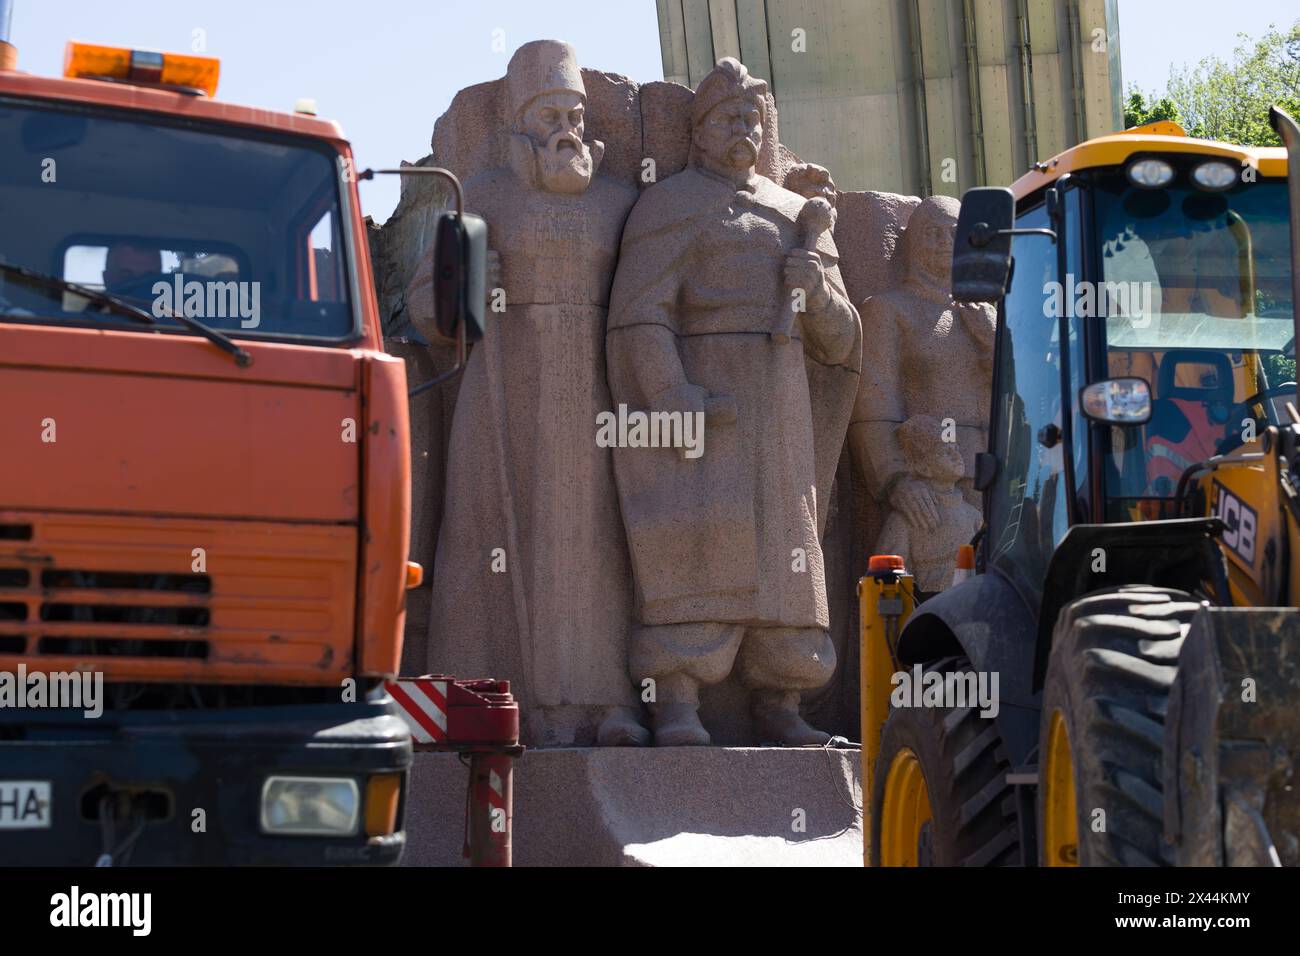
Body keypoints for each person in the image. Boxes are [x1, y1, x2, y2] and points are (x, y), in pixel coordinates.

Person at [605, 58, 861, 746]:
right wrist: (670, 394)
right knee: (696, 540)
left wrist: (819, 293)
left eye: (753, 118)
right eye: (728, 118)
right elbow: (638, 315)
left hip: (781, 399)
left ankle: (783, 704)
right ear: (699, 132)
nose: (743, 129)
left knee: (787, 553)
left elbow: (842, 341)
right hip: (709, 399)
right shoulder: (671, 206)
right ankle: (677, 700)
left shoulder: (794, 216)